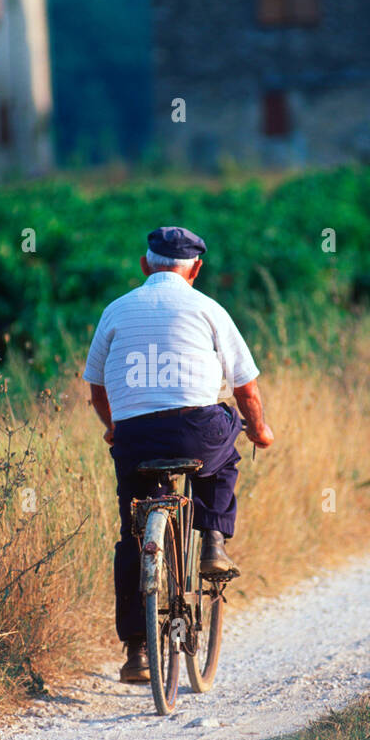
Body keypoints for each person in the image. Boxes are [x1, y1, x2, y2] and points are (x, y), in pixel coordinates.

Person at [83, 225, 275, 684]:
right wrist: (260, 430)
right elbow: (245, 387)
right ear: (197, 269)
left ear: (145, 265)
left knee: (132, 536)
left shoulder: (115, 310)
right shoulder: (208, 308)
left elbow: (96, 385)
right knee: (225, 446)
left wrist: (113, 429)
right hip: (196, 431)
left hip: (134, 439)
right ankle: (212, 541)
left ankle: (137, 653)